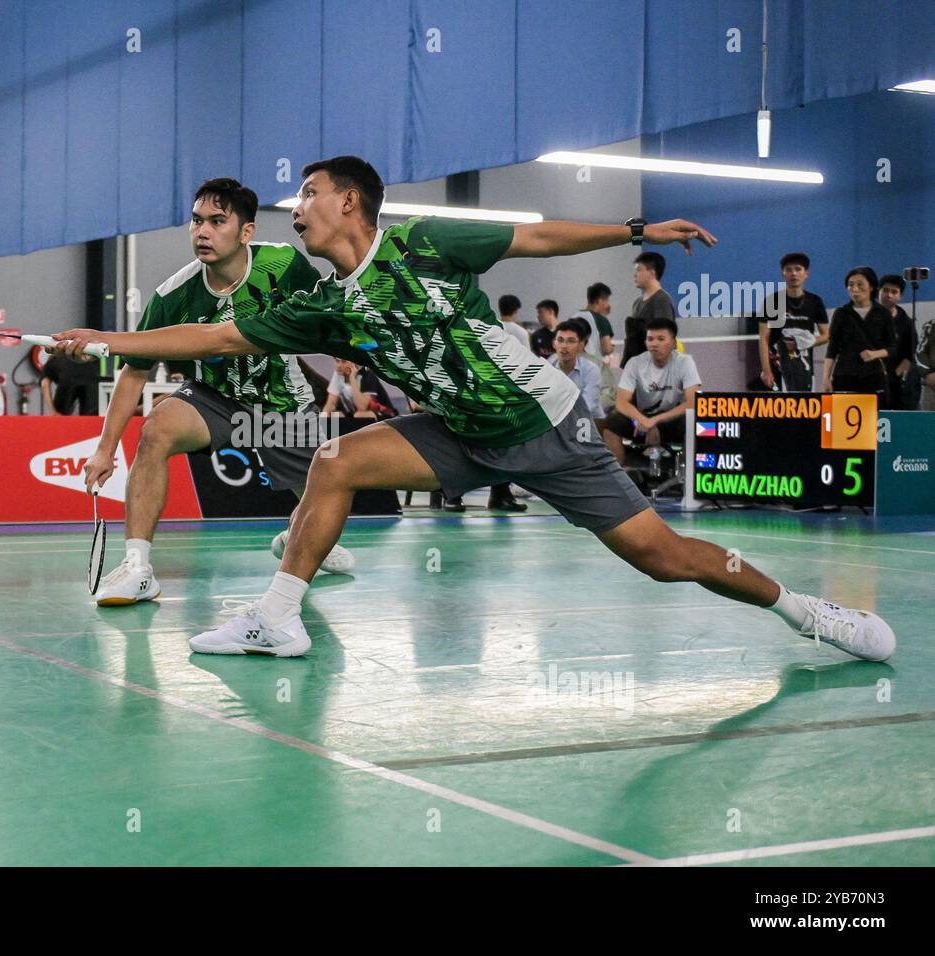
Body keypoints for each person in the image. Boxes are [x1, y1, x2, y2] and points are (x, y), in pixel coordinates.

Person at [54, 154, 895, 664]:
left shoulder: (423, 241)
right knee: (335, 460)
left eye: (308, 192)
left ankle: (807, 612)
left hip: (545, 428)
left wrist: (637, 227)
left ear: (350, 202)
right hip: (457, 432)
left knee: (665, 557)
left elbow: (531, 236)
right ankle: (278, 618)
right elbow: (214, 339)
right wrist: (106, 341)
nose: (297, 206)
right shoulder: (324, 305)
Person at [83, 177, 355, 607]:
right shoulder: (172, 295)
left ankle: (299, 537)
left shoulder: (283, 265)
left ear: (246, 231)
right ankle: (138, 568)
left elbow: (328, 309)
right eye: (195, 221)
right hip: (214, 401)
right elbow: (134, 372)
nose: (202, 232)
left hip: (282, 404)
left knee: (324, 498)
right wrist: (105, 448)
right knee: (156, 428)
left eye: (216, 221)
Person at [601, 318, 700, 465]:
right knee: (611, 424)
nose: (654, 344)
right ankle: (620, 478)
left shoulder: (685, 362)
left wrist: (655, 421)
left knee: (695, 423)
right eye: (650, 339)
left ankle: (687, 477)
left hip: (671, 419)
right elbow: (621, 402)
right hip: (640, 420)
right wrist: (642, 420)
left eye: (661, 339)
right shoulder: (635, 363)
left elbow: (693, 402)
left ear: (673, 342)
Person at [758, 252, 829, 392]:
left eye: (798, 269)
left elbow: (826, 335)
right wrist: (766, 370)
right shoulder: (772, 301)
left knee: (805, 410)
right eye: (789, 270)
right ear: (783, 274)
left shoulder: (815, 302)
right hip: (777, 368)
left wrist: (805, 341)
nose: (793, 274)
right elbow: (763, 338)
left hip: (804, 368)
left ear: (806, 273)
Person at [824, 267, 895, 407]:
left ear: (871, 286)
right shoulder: (841, 313)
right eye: (850, 285)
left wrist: (875, 354)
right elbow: (832, 349)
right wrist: (826, 378)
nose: (854, 289)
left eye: (860, 284)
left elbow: (893, 347)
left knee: (873, 419)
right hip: (844, 375)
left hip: (874, 376)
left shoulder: (883, 313)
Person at [569, 282, 617, 412]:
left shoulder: (573, 317)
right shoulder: (601, 320)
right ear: (600, 300)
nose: (608, 305)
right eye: (607, 300)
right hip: (593, 368)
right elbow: (607, 348)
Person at [623, 252, 674, 364]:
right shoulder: (637, 303)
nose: (635, 274)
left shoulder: (662, 300)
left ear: (652, 273)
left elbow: (664, 339)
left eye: (639, 270)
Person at [549, 318, 603, 418]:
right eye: (560, 340)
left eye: (571, 341)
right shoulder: (547, 367)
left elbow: (588, 406)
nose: (564, 346)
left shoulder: (591, 370)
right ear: (554, 344)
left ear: (581, 345)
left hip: (590, 422)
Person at [878, 274, 917, 410]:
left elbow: (910, 354)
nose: (889, 295)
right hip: (869, 380)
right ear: (878, 292)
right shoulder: (866, 318)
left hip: (895, 386)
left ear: (900, 296)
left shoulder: (906, 323)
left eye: (894, 292)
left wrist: (894, 375)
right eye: (885, 290)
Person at [321, 359, 397, 419]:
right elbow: (331, 403)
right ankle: (333, 438)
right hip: (355, 414)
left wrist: (352, 378)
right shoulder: (338, 375)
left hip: (384, 414)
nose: (338, 366)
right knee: (335, 415)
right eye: (337, 361)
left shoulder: (367, 375)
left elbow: (362, 407)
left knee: (360, 415)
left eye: (343, 362)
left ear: (353, 363)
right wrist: (322, 419)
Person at [40, 347, 100, 415]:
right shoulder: (93, 357)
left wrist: (52, 411)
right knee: (91, 420)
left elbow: (44, 385)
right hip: (92, 384)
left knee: (60, 419)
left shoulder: (55, 359)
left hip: (67, 384)